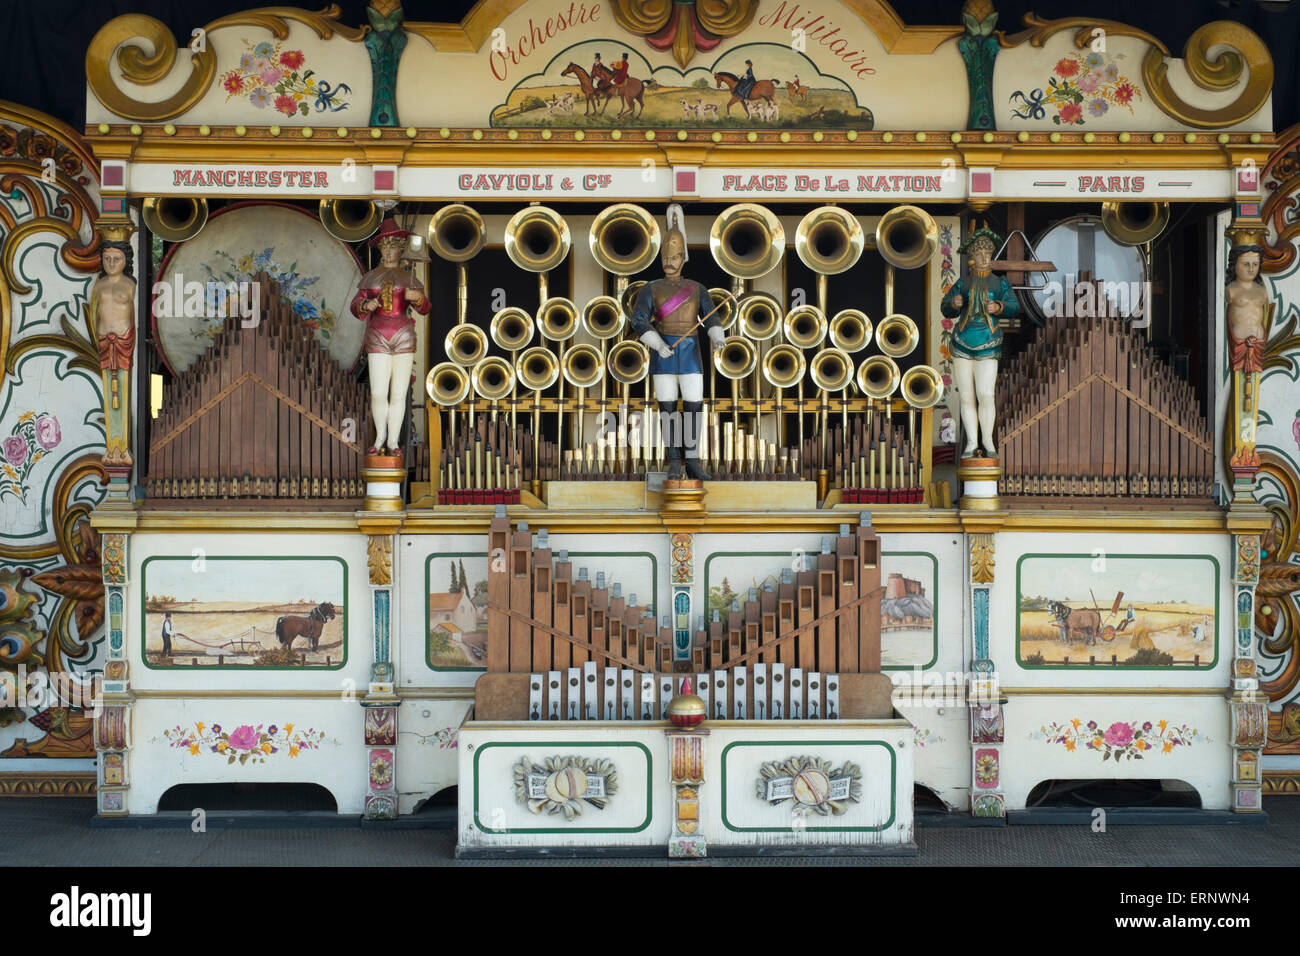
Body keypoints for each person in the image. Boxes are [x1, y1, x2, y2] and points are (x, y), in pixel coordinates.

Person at [629, 205, 726, 480]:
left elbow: (711, 316)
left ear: (683, 258)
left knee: (694, 408)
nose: (669, 262)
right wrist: (657, 343)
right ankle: (674, 460)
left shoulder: (696, 288)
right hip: (664, 352)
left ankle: (693, 460)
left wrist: (716, 334)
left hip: (691, 351)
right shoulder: (651, 288)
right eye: (666, 257)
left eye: (675, 257)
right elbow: (638, 320)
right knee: (668, 409)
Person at [349, 217, 432, 455]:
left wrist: (418, 299)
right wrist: (368, 304)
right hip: (378, 337)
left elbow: (425, 308)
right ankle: (380, 438)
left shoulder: (409, 278)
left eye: (393, 246)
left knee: (398, 393)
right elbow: (355, 307)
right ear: (379, 249)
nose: (388, 251)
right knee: (377, 392)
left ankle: (393, 441)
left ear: (400, 248)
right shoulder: (371, 277)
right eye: (384, 247)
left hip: (404, 336)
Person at [940, 227, 1019, 457]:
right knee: (966, 397)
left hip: (988, 343)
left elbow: (1014, 307)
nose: (984, 258)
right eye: (980, 253)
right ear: (972, 257)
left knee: (986, 395)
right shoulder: (962, 283)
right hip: (962, 343)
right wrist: (953, 304)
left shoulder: (1000, 283)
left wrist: (1000, 307)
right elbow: (945, 308)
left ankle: (988, 441)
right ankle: (972, 442)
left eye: (987, 253)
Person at [90, 239, 136, 466]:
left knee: (122, 391)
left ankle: (120, 448)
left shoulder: (131, 285)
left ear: (126, 260)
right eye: (106, 259)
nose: (111, 263)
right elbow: (93, 315)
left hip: (124, 341)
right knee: (109, 390)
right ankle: (114, 447)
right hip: (103, 342)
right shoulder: (98, 286)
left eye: (116, 259)